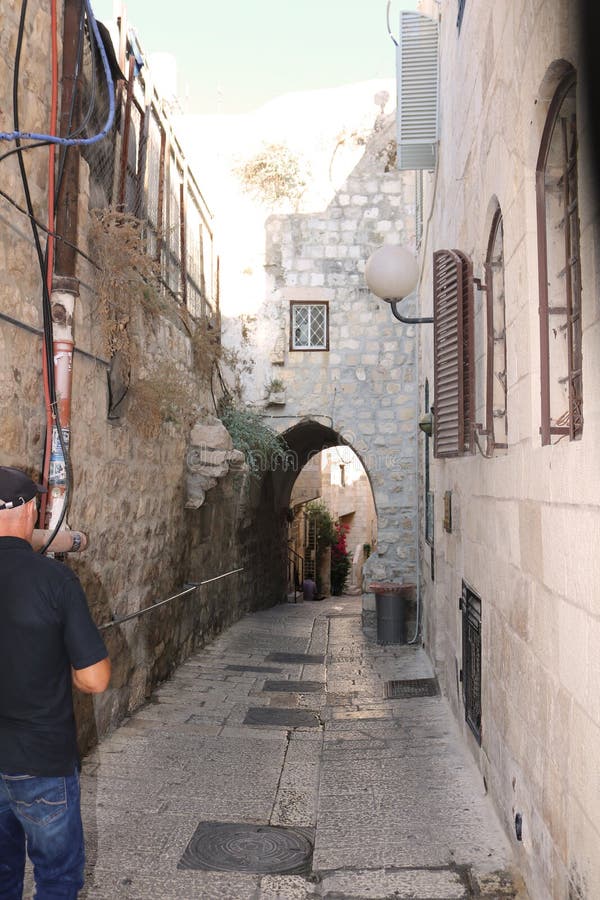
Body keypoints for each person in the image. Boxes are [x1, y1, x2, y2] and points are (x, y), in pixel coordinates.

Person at [0, 466, 111, 898]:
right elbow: (96, 679)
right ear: (30, 511)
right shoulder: (55, 580)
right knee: (57, 879)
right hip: (40, 761)